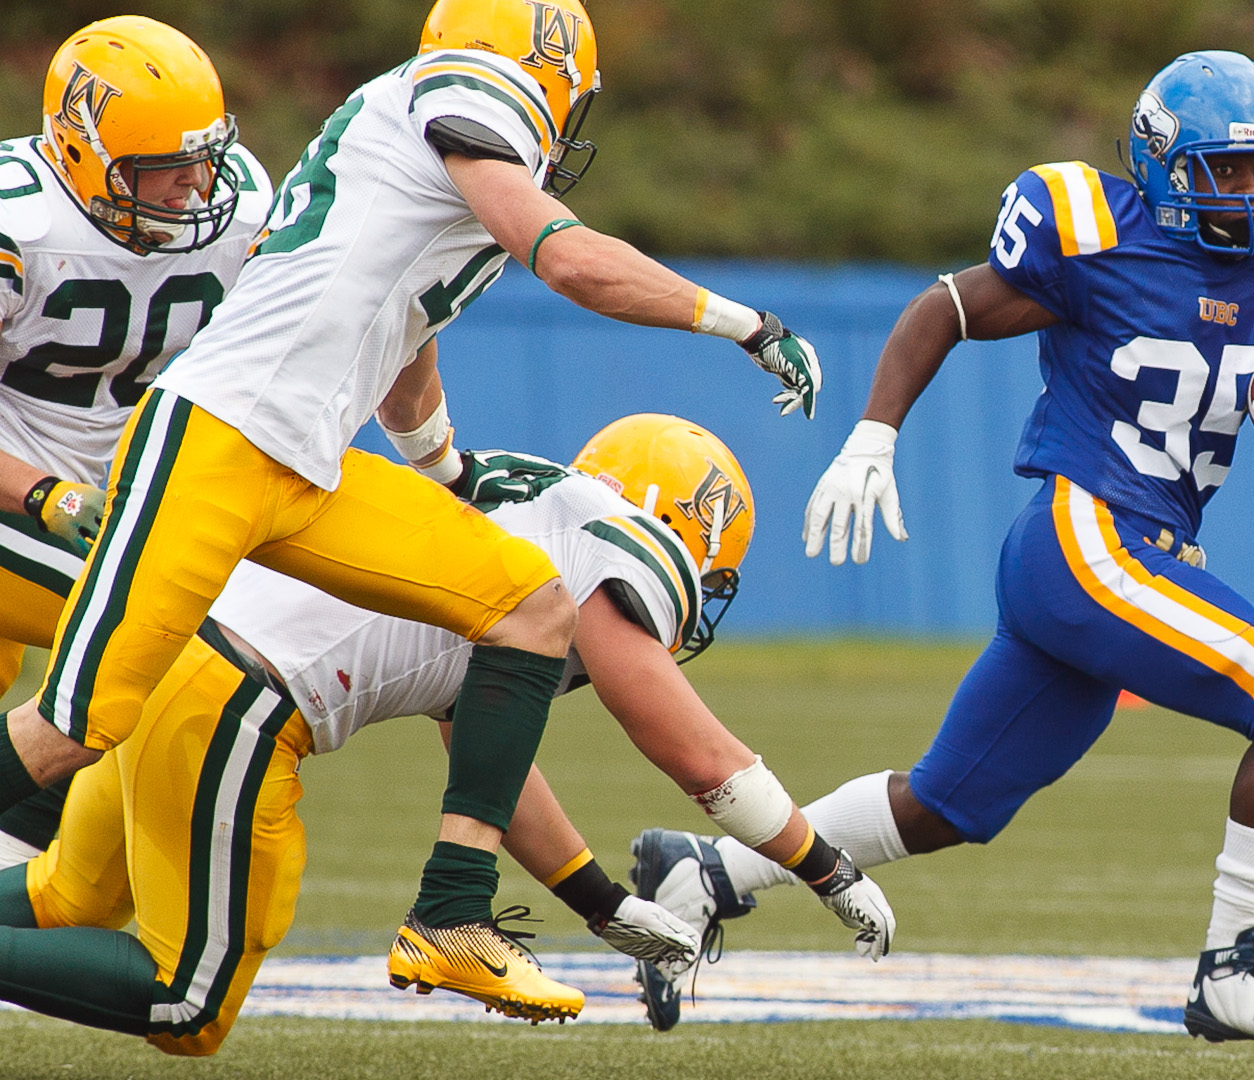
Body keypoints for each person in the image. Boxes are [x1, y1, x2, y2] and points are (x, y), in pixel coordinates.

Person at [0, 0, 825, 1023]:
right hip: (217, 441)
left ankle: (452, 918)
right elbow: (568, 260)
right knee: (73, 735)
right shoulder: (471, 99)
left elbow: (402, 328)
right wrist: (745, 322)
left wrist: (441, 473)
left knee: (527, 604)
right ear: (548, 66)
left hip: (304, 464)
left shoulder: (414, 138)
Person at [633, 51, 1254, 1049]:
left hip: (1130, 551)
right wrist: (875, 435)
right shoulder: (1098, 238)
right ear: (1164, 164)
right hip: (1088, 538)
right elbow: (947, 308)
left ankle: (704, 875)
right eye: (1231, 170)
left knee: (949, 803)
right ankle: (1233, 967)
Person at [0, 415, 891, 1052]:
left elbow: (483, 750)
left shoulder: (531, 510)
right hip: (238, 699)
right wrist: (822, 863)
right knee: (184, 1004)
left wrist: (598, 901)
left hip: (180, 650)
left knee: (66, 901)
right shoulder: (615, 539)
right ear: (681, 524)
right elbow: (692, 749)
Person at [0, 15, 274, 867]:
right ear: (81, 152)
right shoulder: (21, 223)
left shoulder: (243, 208)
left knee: (144, 682)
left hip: (127, 499)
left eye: (204, 159)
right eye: (165, 170)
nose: (195, 190)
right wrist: (43, 492)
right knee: (154, 653)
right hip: (21, 492)